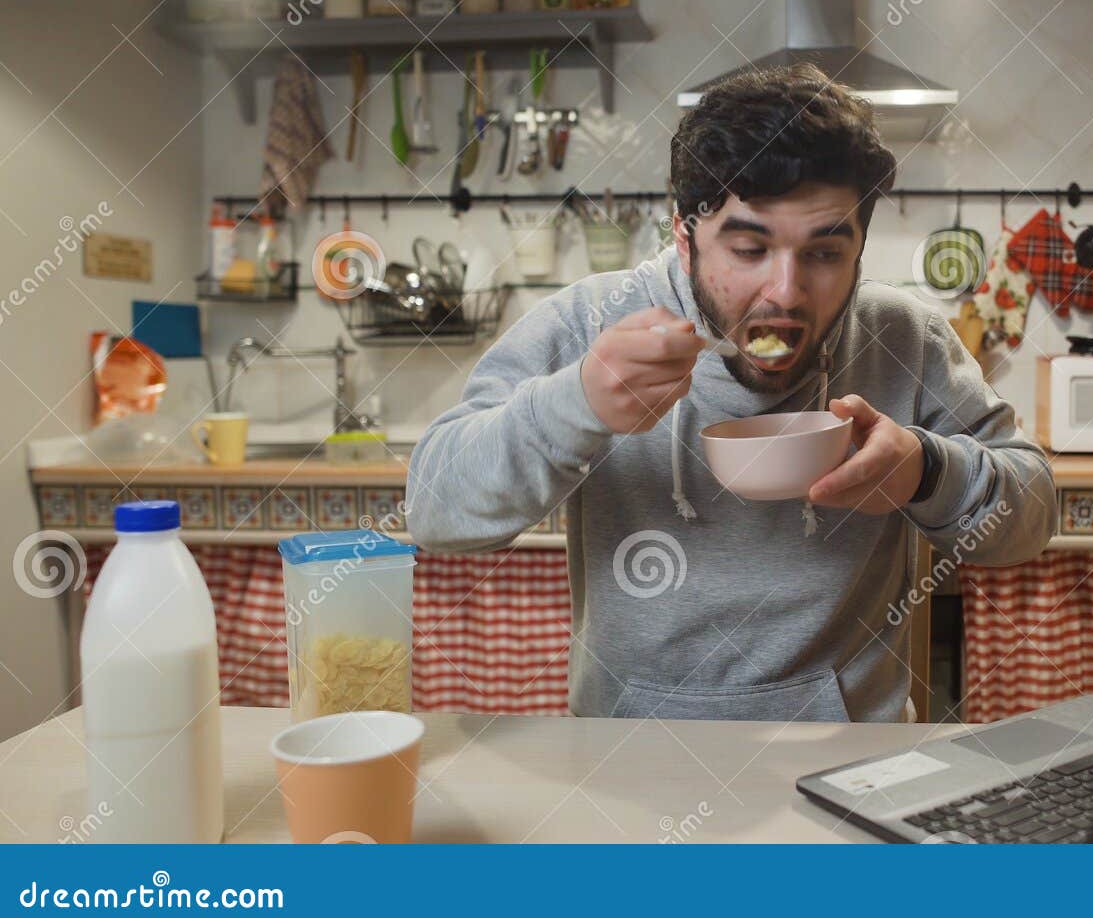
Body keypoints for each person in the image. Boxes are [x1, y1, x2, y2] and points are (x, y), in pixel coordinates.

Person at [408, 63, 1056, 722]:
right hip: (629, 755)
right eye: (748, 249)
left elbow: (1032, 515)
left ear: (860, 246)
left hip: (851, 755)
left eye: (825, 254)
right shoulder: (590, 324)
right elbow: (433, 510)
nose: (786, 293)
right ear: (684, 235)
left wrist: (927, 471)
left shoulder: (902, 336)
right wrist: (574, 404)